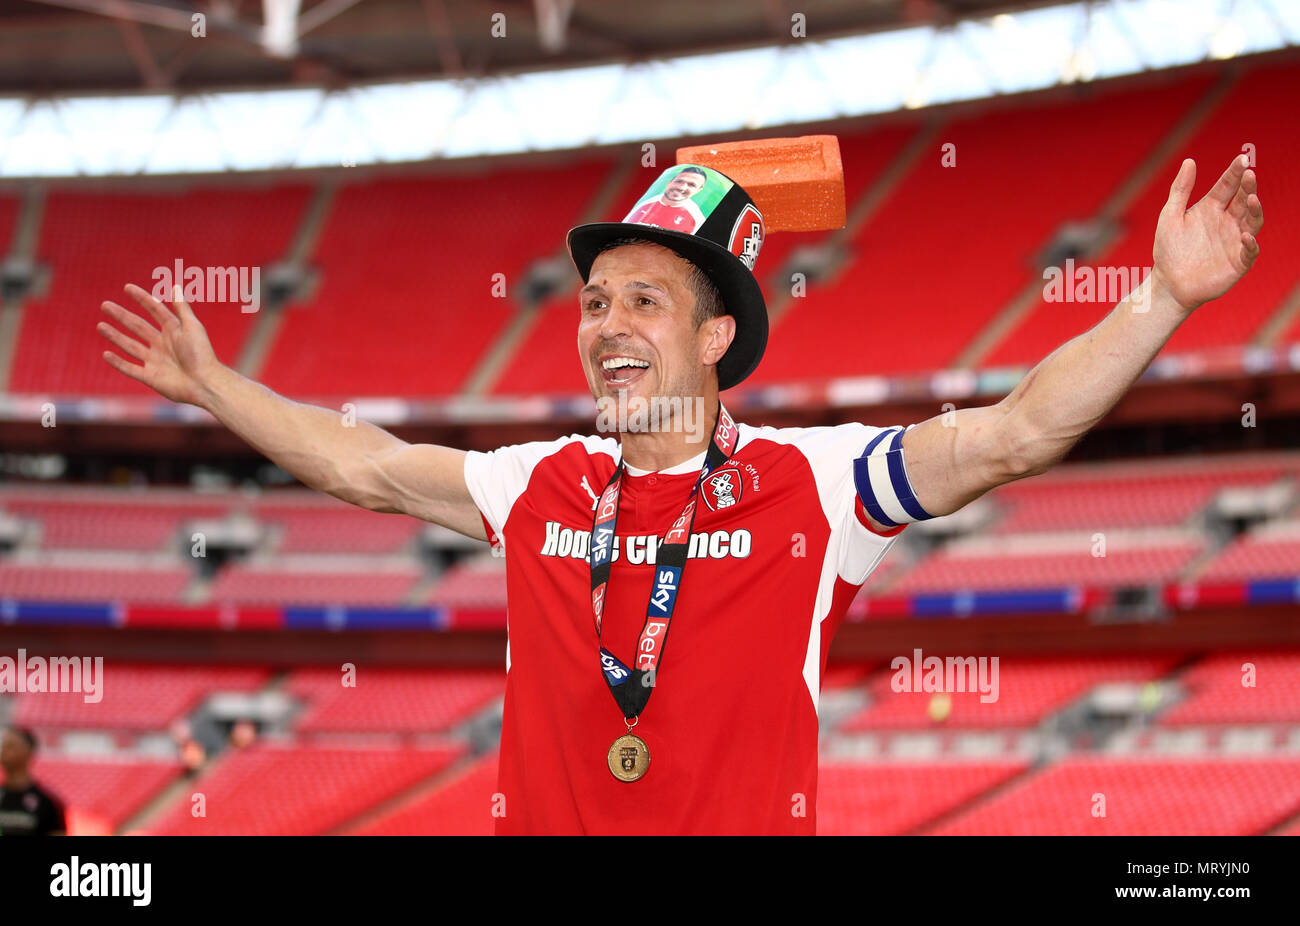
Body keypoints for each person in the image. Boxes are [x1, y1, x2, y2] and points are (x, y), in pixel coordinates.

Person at [97, 155, 1262, 834]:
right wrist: (215, 384)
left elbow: (1017, 434)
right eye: (595, 301)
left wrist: (1159, 298)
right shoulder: (535, 479)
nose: (606, 325)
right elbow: (356, 462)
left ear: (715, 334)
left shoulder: (819, 483)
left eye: (642, 301)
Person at [0, 727, 67, 836]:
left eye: (10, 746)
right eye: (3, 747)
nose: (3, 752)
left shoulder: (47, 801)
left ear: (29, 751)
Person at [623, 165, 708, 232]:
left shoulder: (697, 218)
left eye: (691, 185)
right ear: (669, 183)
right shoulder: (645, 204)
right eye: (679, 181)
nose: (682, 187)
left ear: (698, 190)